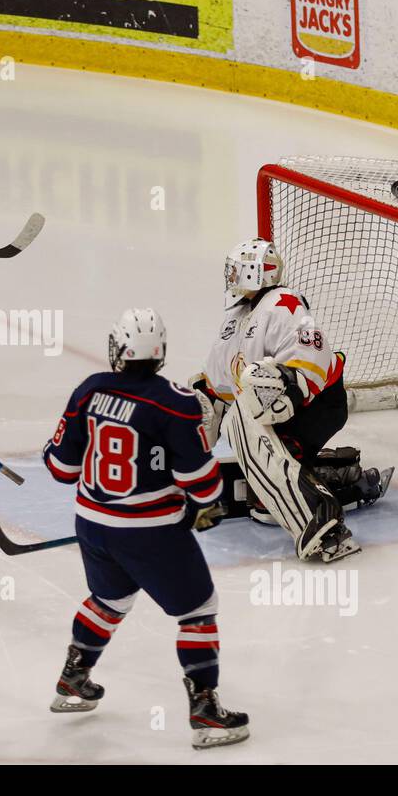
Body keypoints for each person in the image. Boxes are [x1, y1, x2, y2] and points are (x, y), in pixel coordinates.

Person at [41, 308, 249, 750]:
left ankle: (74, 678)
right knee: (198, 609)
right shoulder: (175, 400)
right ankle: (206, 711)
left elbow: (60, 468)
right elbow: (201, 480)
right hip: (151, 531)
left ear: (118, 349)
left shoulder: (89, 389)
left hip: (93, 525)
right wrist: (205, 505)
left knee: (109, 599)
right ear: (160, 353)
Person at [192, 239, 390, 564]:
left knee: (246, 405)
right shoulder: (234, 321)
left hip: (317, 404)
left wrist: (287, 386)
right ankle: (333, 478)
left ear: (254, 274)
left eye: (235, 271)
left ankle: (321, 521)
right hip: (268, 415)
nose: (229, 278)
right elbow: (216, 387)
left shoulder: (282, 303)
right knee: (226, 418)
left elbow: (315, 356)